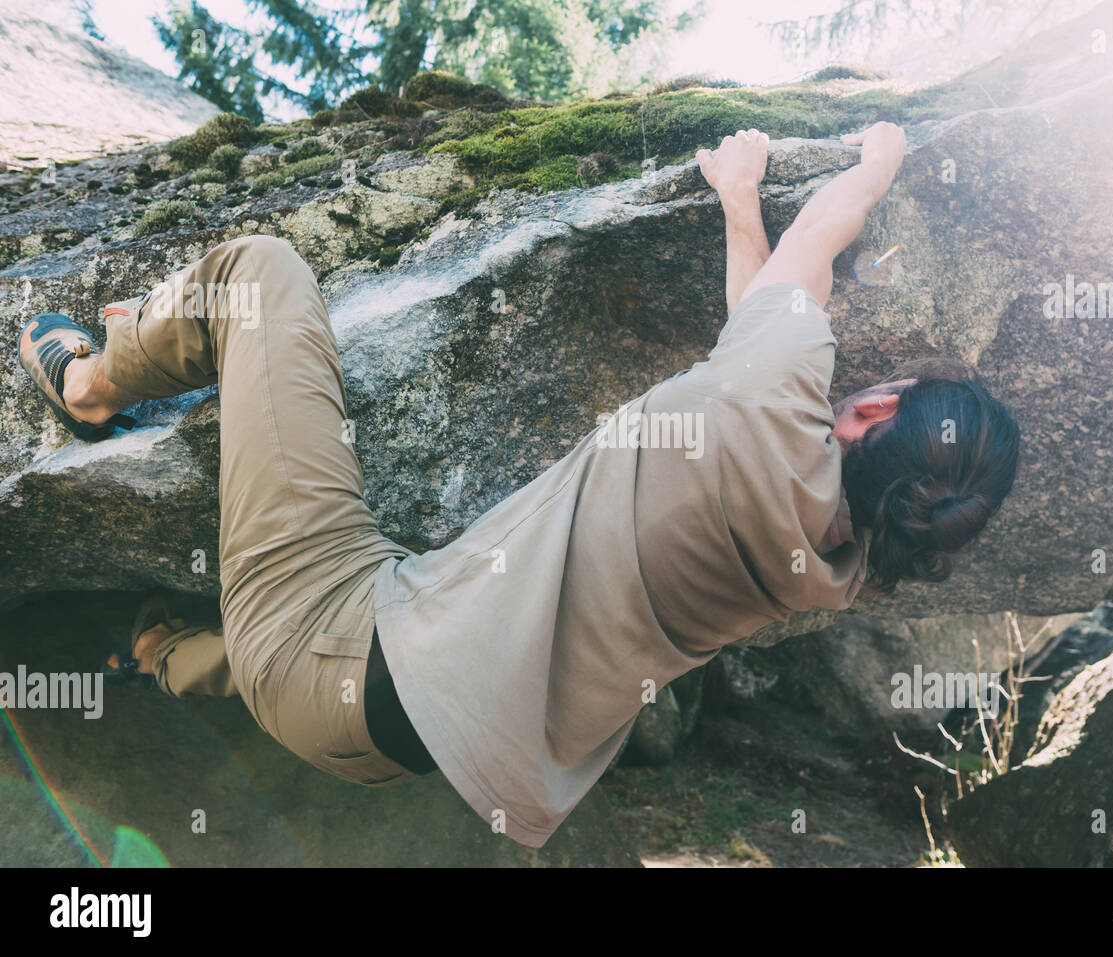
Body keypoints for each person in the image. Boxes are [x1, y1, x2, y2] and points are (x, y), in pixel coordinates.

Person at [16, 122, 1019, 847]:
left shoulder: (767, 399)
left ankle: (95, 379)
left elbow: (811, 258)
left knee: (261, 273)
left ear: (874, 415)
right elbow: (755, 324)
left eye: (875, 387)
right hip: (410, 744)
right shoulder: (833, 570)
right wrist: (736, 202)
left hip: (342, 640)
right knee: (318, 633)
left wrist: (878, 157)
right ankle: (161, 651)